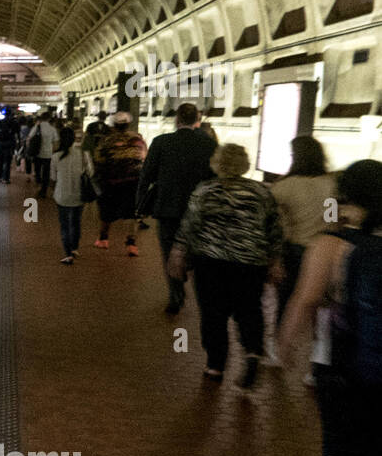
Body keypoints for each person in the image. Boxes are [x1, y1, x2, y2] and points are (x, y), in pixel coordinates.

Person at [277, 159, 382, 456]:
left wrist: (284, 347)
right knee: (378, 437)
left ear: (346, 195)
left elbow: (305, 301)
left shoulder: (330, 244)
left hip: (340, 364)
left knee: (338, 442)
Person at [167, 144, 283, 389]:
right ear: (244, 164)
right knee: (249, 309)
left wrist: (178, 253)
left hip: (210, 261)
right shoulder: (260, 192)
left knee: (213, 313)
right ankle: (252, 351)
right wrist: (275, 259)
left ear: (217, 163)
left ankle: (215, 365)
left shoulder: (205, 189)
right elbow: (273, 228)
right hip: (251, 262)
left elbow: (189, 225)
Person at [135, 103, 217, 314]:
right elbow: (215, 178)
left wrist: (140, 204)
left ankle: (176, 295)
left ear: (177, 119)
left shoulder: (161, 142)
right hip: (200, 211)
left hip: (168, 207)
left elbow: (147, 175)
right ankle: (201, 295)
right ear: (196, 120)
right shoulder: (208, 144)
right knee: (198, 250)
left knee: (170, 251)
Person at [270, 136, 337, 324]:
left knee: (288, 300)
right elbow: (332, 221)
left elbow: (272, 220)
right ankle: (314, 343)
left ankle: (283, 342)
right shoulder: (331, 185)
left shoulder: (285, 186)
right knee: (317, 302)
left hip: (295, 251)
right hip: (323, 251)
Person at [92, 111, 147, 255]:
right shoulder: (138, 139)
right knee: (132, 213)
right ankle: (131, 244)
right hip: (134, 181)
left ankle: (103, 239)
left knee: (107, 211)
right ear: (129, 124)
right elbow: (144, 157)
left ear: (114, 125)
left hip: (112, 181)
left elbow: (98, 160)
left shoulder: (106, 140)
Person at [52, 126, 91, 264]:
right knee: (76, 223)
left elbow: (53, 177)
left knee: (64, 225)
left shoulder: (56, 156)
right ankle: (75, 248)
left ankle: (68, 254)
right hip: (79, 194)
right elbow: (90, 173)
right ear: (75, 138)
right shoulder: (83, 154)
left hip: (61, 195)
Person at [32, 112, 59, 198]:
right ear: (49, 119)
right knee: (46, 173)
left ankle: (38, 183)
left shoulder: (37, 127)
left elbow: (29, 138)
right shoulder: (52, 129)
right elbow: (56, 143)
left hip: (37, 153)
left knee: (37, 170)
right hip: (48, 154)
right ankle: (43, 190)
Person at [0, 109, 18, 183]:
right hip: (9, 144)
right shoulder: (14, 123)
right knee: (7, 162)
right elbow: (16, 134)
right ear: (11, 114)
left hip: (0, 144)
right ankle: (6, 178)